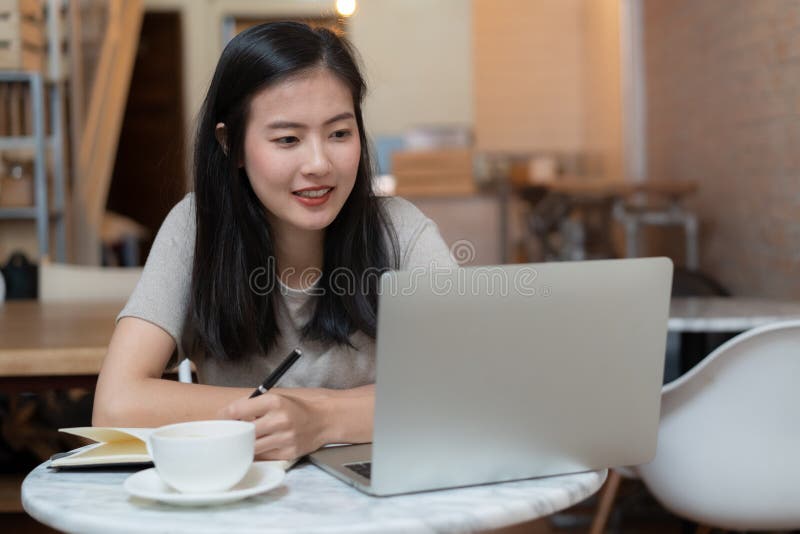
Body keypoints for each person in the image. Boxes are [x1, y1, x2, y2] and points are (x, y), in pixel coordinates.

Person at [93, 21, 455, 460]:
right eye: (288, 139)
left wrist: (317, 418)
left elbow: (464, 388)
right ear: (232, 145)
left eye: (339, 133)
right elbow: (116, 405)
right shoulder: (195, 227)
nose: (319, 163)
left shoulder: (400, 231)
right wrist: (301, 414)